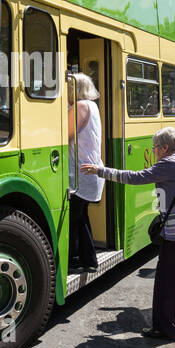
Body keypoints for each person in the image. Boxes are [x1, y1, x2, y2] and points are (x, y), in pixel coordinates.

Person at [83, 127, 175, 341]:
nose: (154, 151)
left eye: (155, 147)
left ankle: (163, 329)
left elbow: (135, 177)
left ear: (165, 148)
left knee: (166, 282)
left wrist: (100, 171)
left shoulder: (169, 163)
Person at [67, 72, 103, 272]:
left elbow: (66, 133)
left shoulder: (80, 107)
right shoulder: (92, 106)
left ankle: (71, 259)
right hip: (89, 171)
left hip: (80, 173)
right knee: (81, 218)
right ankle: (89, 261)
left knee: (72, 220)